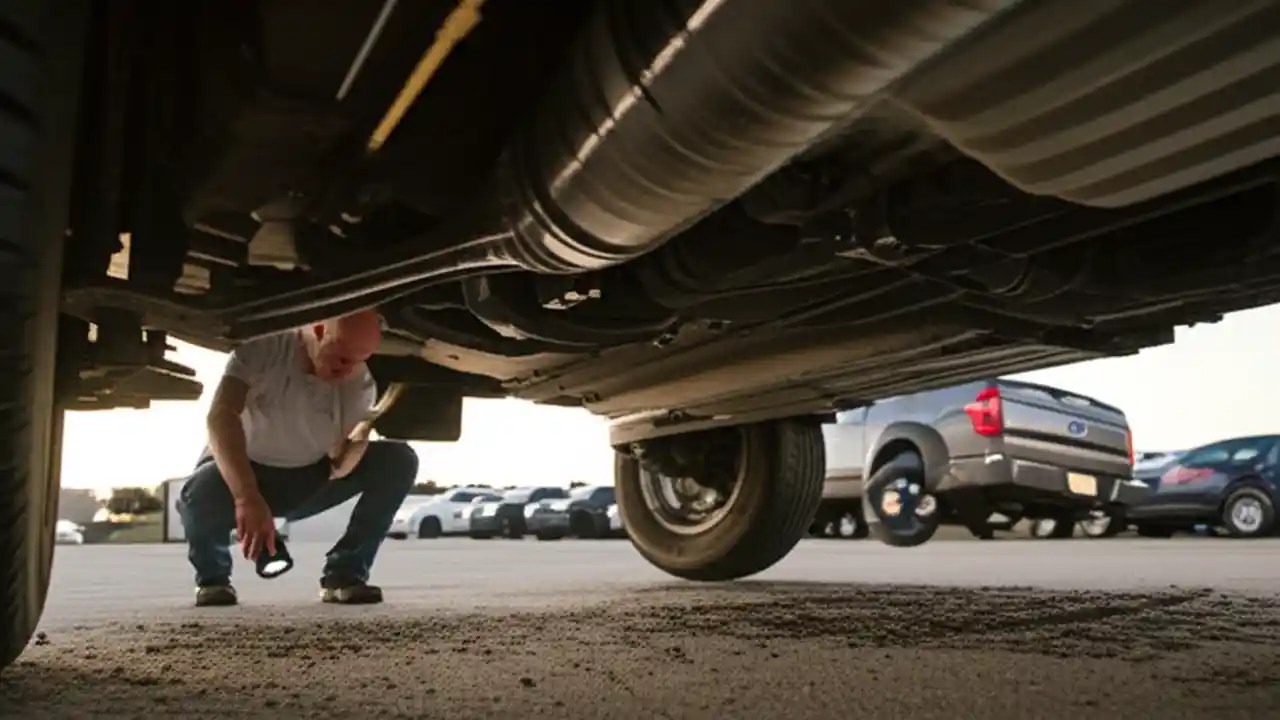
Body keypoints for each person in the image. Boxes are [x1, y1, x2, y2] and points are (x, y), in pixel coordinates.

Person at [176, 309, 418, 606]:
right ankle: (213, 580)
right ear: (318, 330)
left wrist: (356, 442)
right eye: (342, 358)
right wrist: (246, 496)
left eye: (359, 360)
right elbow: (221, 416)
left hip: (309, 478)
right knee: (198, 494)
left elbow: (338, 466)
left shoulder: (358, 383)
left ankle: (345, 573)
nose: (348, 370)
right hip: (236, 475)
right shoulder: (263, 348)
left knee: (399, 459)